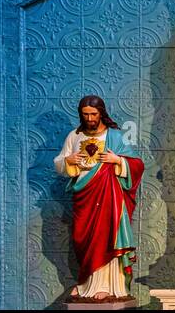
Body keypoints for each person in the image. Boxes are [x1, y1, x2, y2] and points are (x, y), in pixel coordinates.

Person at [54, 95, 144, 302]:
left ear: (101, 113)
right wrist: (68, 160)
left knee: (106, 235)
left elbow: (137, 165)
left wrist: (118, 160)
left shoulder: (114, 136)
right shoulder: (74, 136)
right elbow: (59, 163)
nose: (90, 118)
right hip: (83, 195)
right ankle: (86, 283)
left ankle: (108, 285)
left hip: (108, 196)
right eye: (85, 114)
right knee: (83, 239)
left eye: (93, 114)